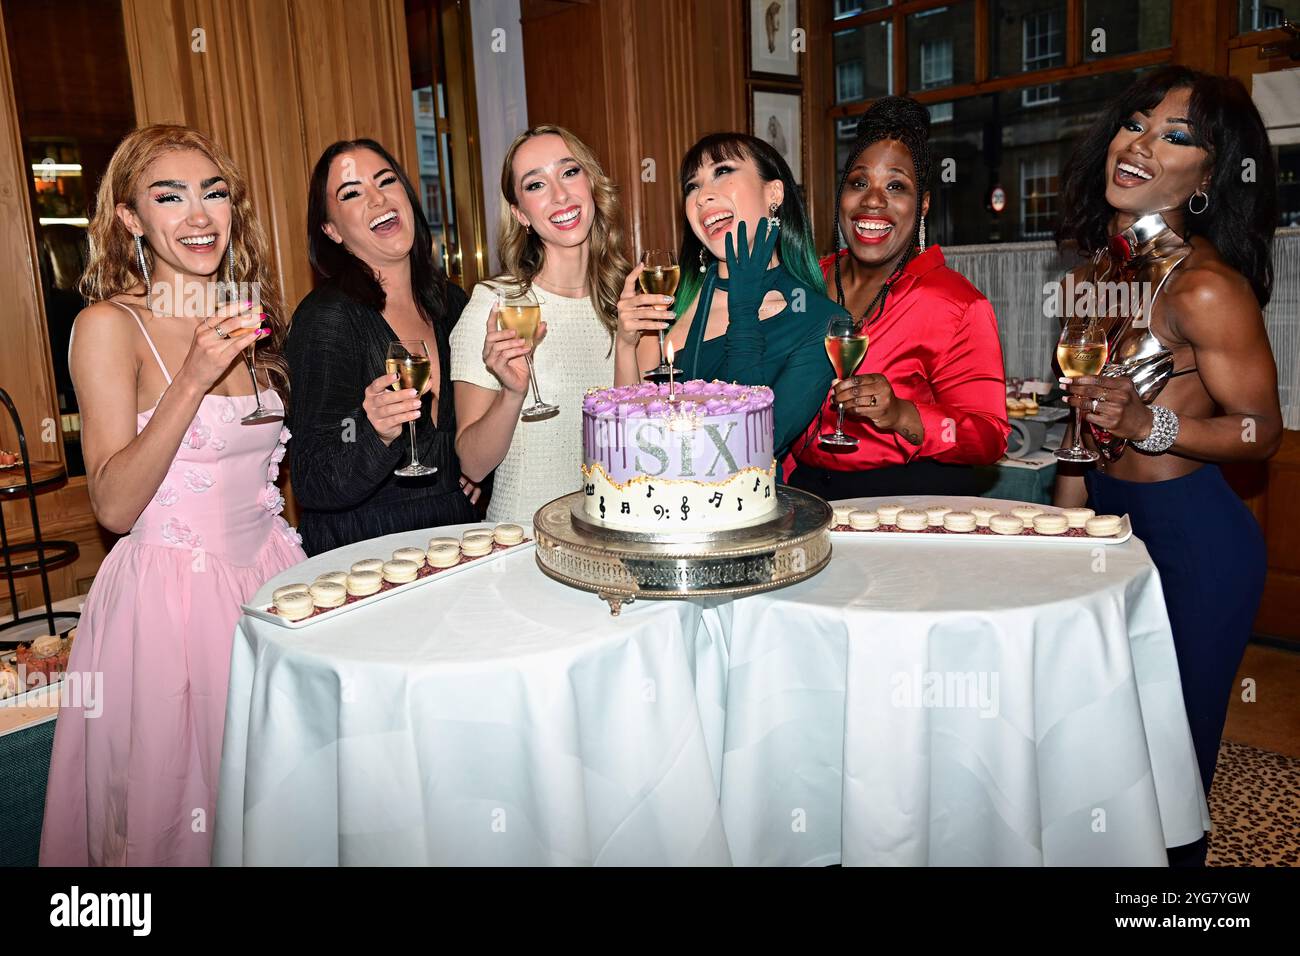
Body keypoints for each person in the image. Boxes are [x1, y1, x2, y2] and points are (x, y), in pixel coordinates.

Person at [40, 124, 306, 865]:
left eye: (214, 193)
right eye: (170, 196)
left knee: (275, 808)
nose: (198, 215)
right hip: (169, 606)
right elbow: (113, 506)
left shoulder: (248, 318)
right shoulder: (107, 327)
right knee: (175, 819)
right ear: (130, 218)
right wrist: (191, 375)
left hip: (270, 583)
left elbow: (260, 474)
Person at [1052, 67, 1283, 864]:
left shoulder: (1209, 289)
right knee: (1093, 745)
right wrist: (1061, 525)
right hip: (1108, 533)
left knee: (1168, 764)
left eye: (1177, 137)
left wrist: (1150, 422)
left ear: (1211, 175)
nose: (1141, 143)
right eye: (1136, 123)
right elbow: (1084, 429)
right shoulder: (1096, 276)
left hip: (1193, 544)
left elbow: (1263, 433)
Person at [788, 96, 1009, 496]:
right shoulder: (803, 282)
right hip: (804, 494)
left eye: (896, 186)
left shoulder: (957, 305)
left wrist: (902, 414)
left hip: (905, 500)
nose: (873, 199)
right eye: (859, 183)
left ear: (923, 204)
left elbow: (990, 438)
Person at [287, 139, 476, 555]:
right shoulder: (327, 319)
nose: (377, 198)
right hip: (369, 553)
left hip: (456, 540)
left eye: (386, 181)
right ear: (331, 230)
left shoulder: (454, 305)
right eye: (352, 193)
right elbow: (312, 477)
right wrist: (370, 431)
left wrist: (480, 473)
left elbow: (475, 429)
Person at [615, 132, 836, 458]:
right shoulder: (668, 304)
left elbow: (752, 445)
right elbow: (629, 440)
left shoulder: (820, 322)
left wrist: (743, 308)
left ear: (773, 193)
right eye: (693, 186)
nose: (703, 195)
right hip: (658, 504)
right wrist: (625, 343)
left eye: (722, 171)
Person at [451, 125, 626, 521]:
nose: (560, 195)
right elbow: (472, 466)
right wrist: (512, 394)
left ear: (591, 184)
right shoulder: (495, 305)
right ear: (520, 214)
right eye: (535, 185)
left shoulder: (623, 304)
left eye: (569, 172)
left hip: (611, 536)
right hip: (523, 544)